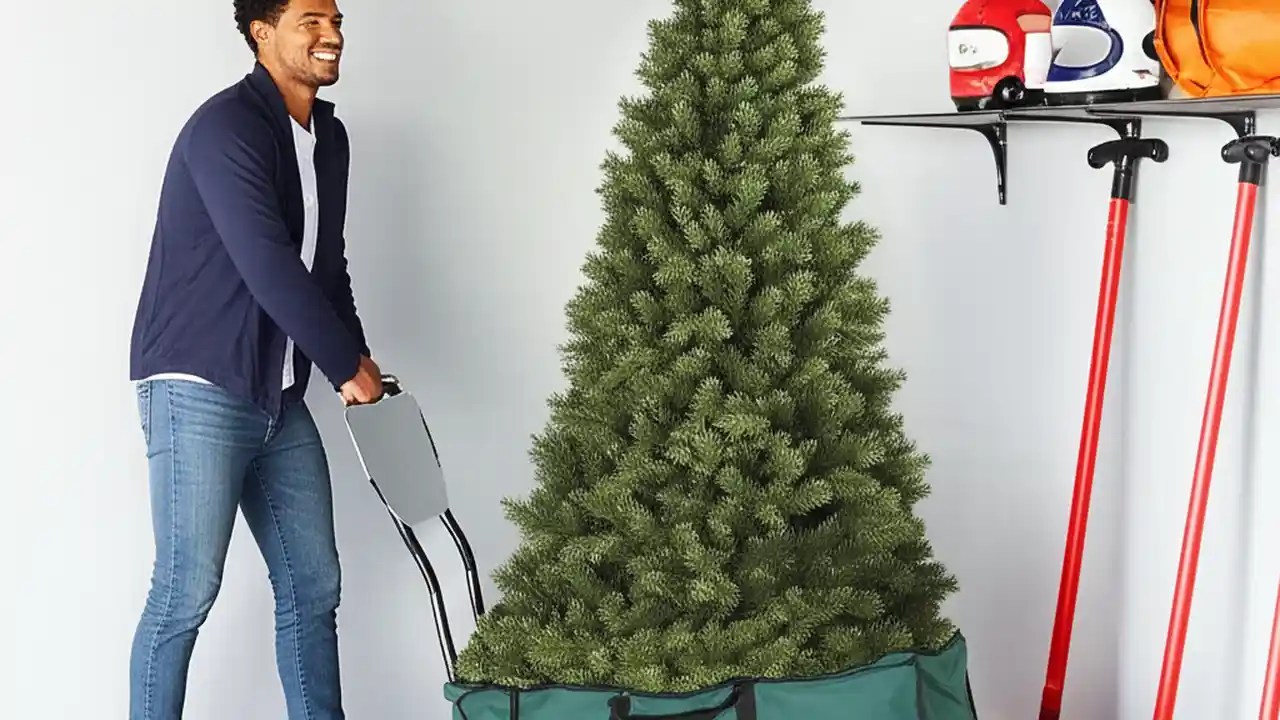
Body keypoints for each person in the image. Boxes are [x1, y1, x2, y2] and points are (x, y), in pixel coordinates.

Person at [126, 1, 378, 717]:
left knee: (314, 585)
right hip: (198, 384)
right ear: (261, 33)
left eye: (335, 19)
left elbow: (326, 267)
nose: (330, 34)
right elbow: (269, 267)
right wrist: (342, 366)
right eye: (310, 20)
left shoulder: (328, 137)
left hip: (277, 395)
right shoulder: (224, 129)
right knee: (185, 591)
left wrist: (357, 356)